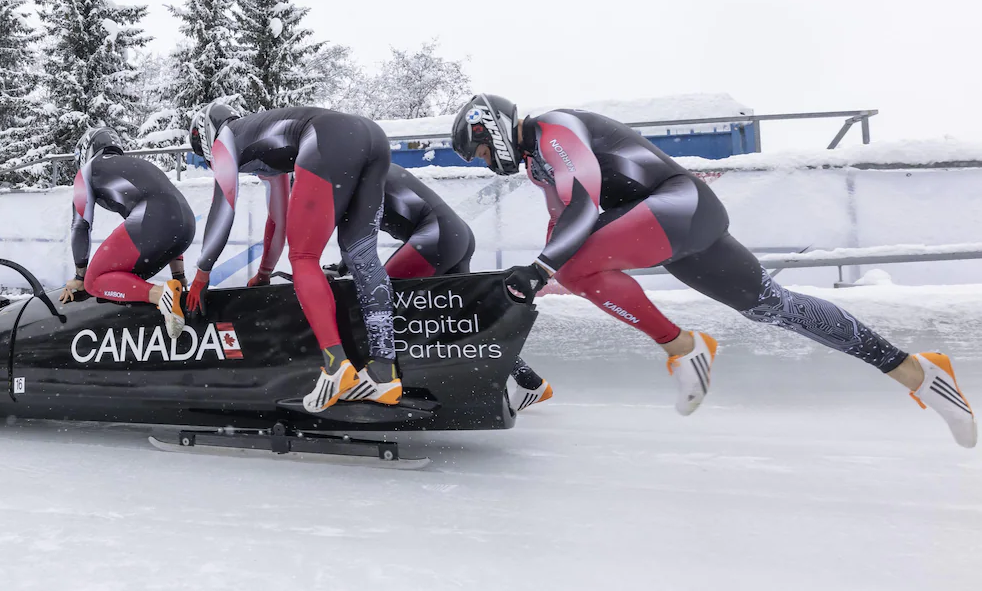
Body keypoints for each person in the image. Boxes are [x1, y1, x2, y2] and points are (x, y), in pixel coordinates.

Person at [451, 94, 976, 448]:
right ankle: (917, 371)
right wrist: (534, 281)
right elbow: (561, 226)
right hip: (678, 226)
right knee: (774, 306)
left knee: (575, 269)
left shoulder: (551, 128)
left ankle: (683, 348)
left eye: (476, 147)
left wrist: (543, 270)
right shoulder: (539, 165)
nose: (479, 159)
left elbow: (583, 206)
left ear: (488, 126)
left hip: (676, 207)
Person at [188, 103, 399, 412]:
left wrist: (202, 274)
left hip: (326, 138)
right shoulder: (262, 139)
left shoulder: (226, 138)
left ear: (205, 138)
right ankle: (384, 372)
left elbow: (223, 208)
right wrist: (263, 273)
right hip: (371, 136)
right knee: (361, 252)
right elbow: (278, 218)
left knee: (303, 256)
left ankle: (336, 365)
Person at [308, 164, 553, 411]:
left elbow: (357, 238)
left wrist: (339, 269)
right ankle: (529, 380)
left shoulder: (347, 174)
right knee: (461, 321)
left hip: (435, 237)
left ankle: (379, 378)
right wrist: (342, 267)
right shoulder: (371, 162)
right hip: (454, 234)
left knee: (378, 303)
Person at [60, 127, 191, 340]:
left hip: (153, 218)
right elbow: (170, 220)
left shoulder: (89, 169)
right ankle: (166, 299)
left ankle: (161, 295)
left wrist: (80, 277)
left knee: (96, 281)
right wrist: (179, 275)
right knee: (124, 278)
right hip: (185, 224)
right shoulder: (138, 165)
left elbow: (80, 225)